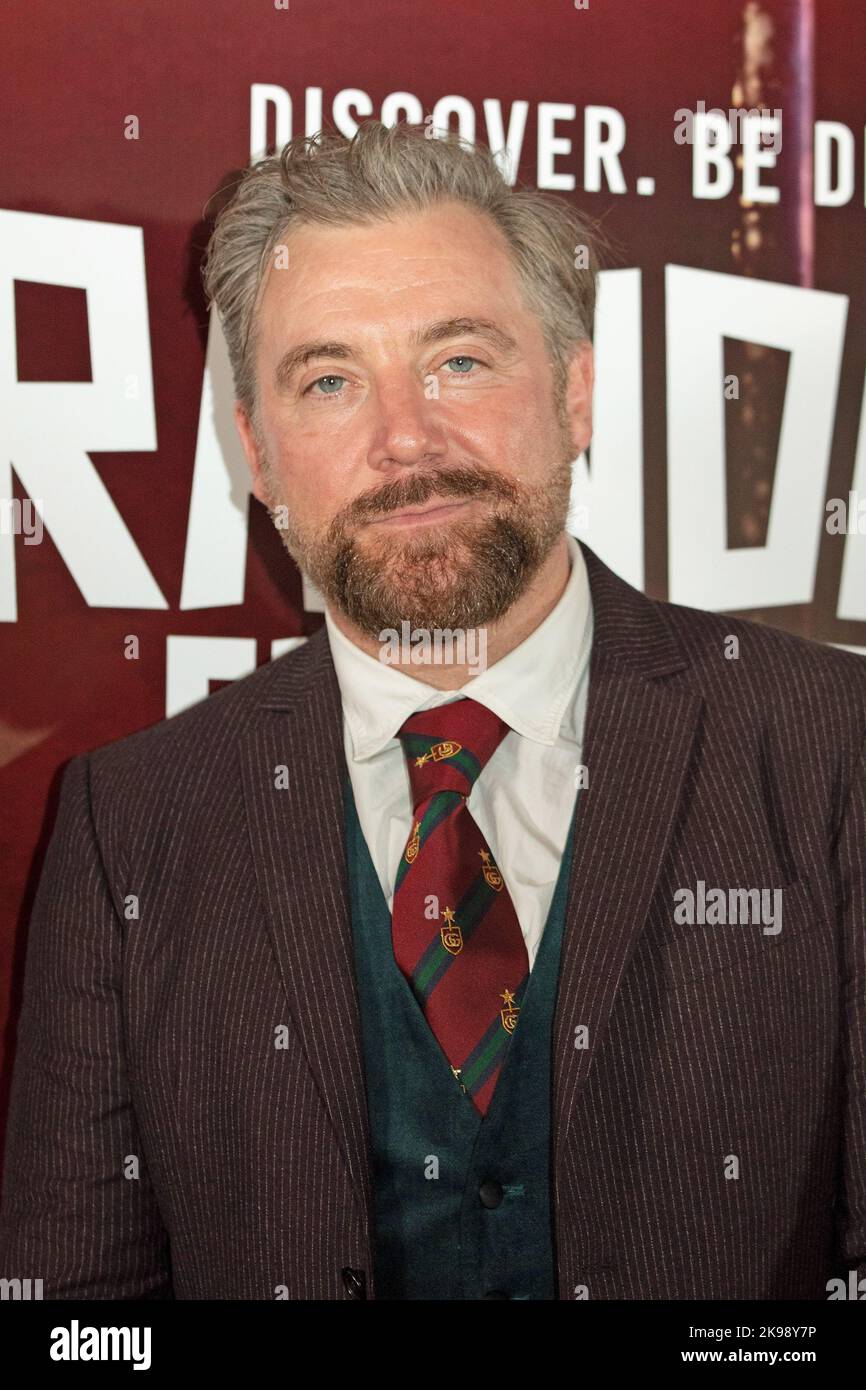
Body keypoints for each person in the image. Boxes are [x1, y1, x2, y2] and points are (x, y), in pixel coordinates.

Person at [1, 120, 864, 1301]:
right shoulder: (128, 819)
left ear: (572, 392)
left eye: (459, 360)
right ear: (255, 450)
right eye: (329, 379)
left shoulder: (832, 746)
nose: (404, 438)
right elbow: (73, 1318)